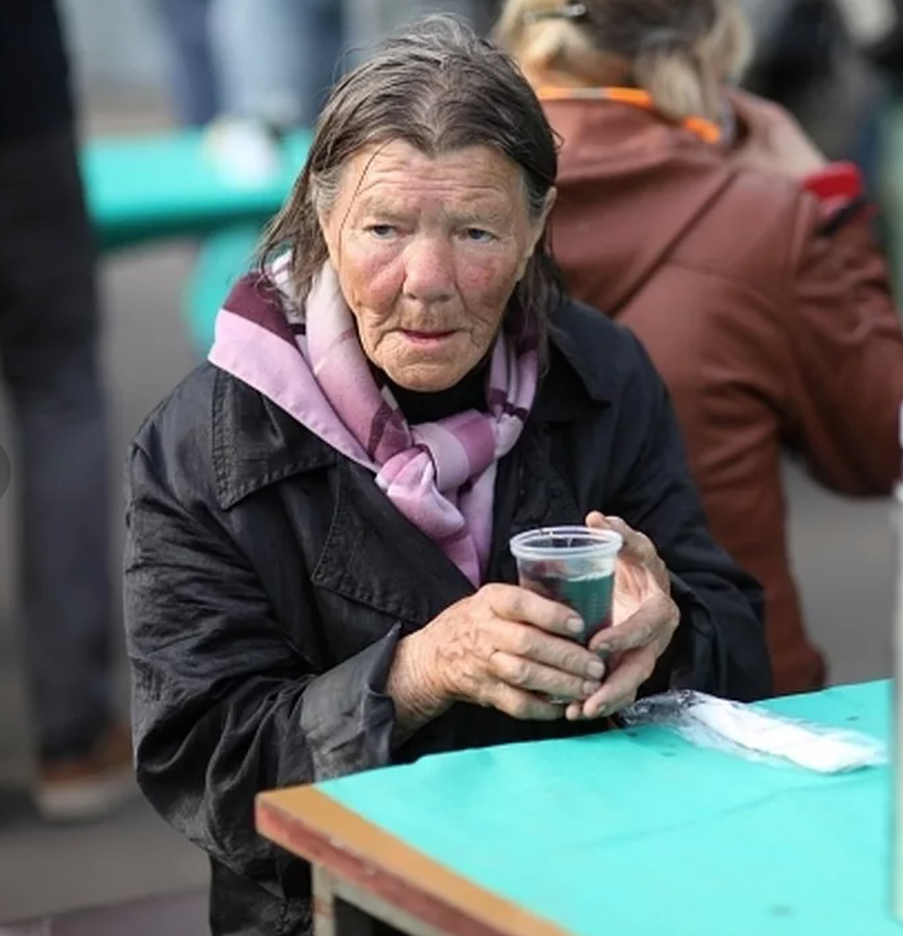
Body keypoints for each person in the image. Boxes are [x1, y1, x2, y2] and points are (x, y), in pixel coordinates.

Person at [124, 16, 772, 935]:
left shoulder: (599, 375)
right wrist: (418, 672)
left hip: (596, 880)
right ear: (322, 214)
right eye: (384, 227)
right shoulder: (205, 444)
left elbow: (743, 646)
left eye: (475, 231)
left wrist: (665, 633)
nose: (427, 280)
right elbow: (207, 770)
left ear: (537, 222)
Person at [496, 0, 903, 695]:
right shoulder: (764, 219)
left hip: (506, 704)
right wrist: (828, 198)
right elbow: (891, 443)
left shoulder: (442, 209)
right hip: (734, 689)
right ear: (710, 51)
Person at [0, 0, 132, 821]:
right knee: (58, 394)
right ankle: (73, 734)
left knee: (59, 397)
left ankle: (77, 731)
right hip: (17, 97)